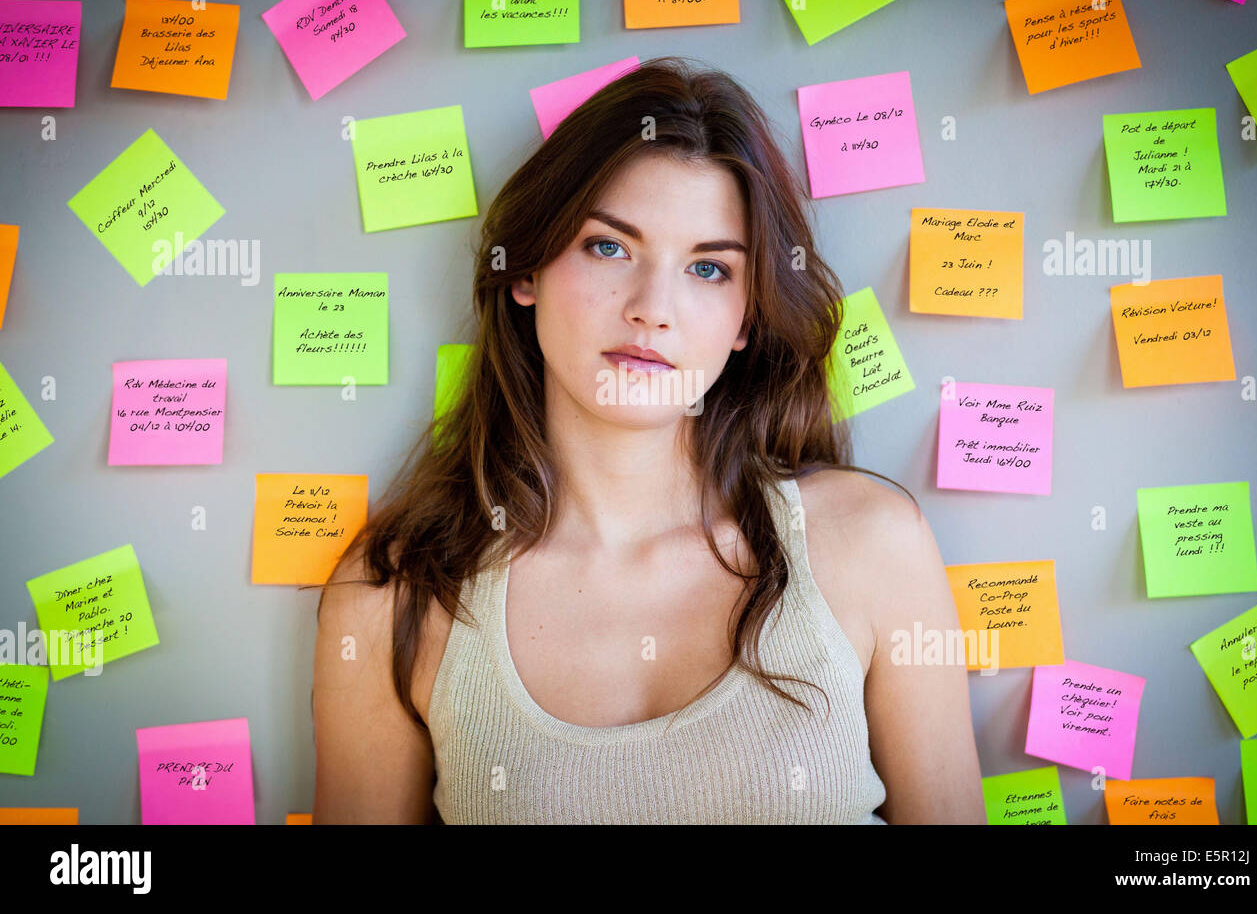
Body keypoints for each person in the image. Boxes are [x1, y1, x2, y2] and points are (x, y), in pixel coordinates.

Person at [312, 56, 985, 824]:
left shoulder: (871, 543)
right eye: (609, 247)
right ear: (525, 269)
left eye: (707, 268)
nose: (652, 309)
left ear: (746, 322)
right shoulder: (393, 596)